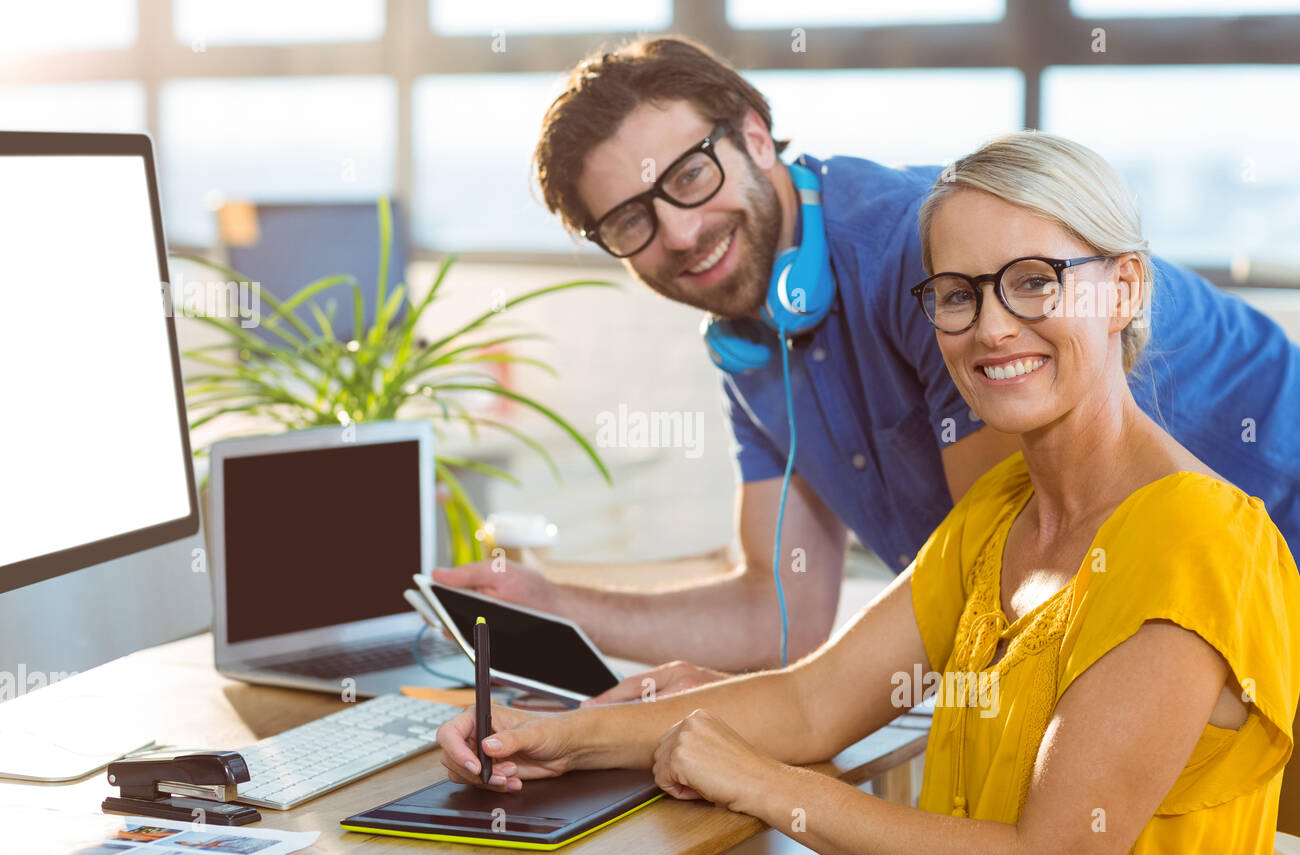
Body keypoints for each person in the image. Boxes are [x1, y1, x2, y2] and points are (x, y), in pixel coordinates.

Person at [434, 130, 1300, 855]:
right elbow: (814, 702)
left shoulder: (1193, 540)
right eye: (958, 296)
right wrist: (550, 737)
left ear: (1126, 289)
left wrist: (767, 785)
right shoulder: (1001, 511)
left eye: (1036, 280)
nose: (993, 327)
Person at [433, 35, 1300, 694]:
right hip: (1161, 626)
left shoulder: (928, 258)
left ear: (756, 137)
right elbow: (780, 613)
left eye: (690, 176)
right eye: (629, 222)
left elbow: (997, 582)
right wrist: (555, 604)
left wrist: (741, 711)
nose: (679, 233)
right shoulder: (754, 336)